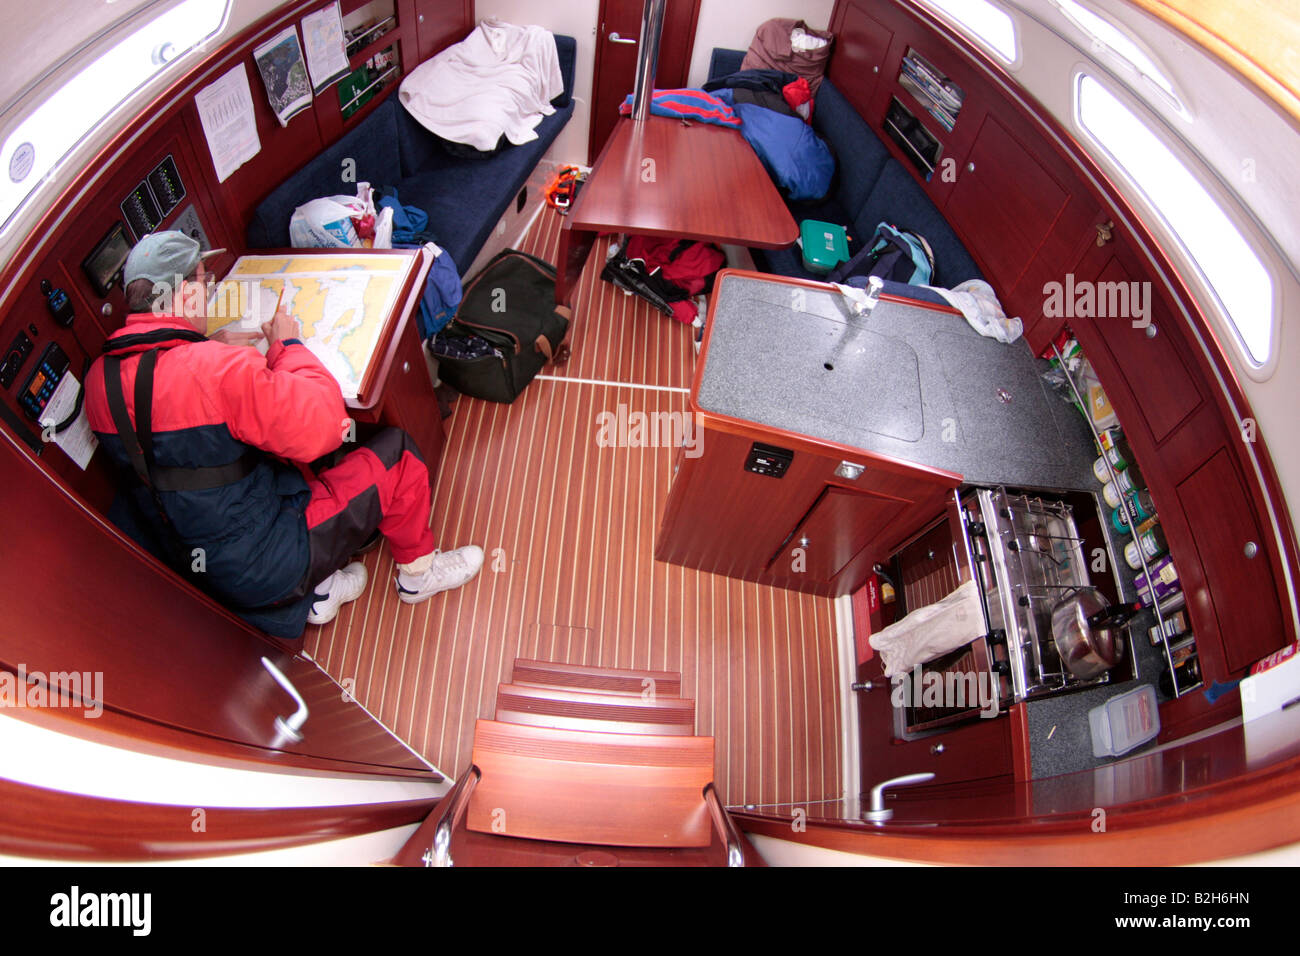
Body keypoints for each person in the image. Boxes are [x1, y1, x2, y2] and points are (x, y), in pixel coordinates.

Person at [84, 231, 482, 638]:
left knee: (279, 457)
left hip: (197, 559)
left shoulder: (100, 382)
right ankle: (418, 575)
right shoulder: (215, 369)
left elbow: (170, 423)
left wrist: (203, 345)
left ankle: (321, 591)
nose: (208, 293)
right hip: (268, 563)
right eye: (205, 284)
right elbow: (327, 429)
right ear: (185, 294)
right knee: (398, 456)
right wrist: (287, 345)